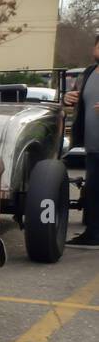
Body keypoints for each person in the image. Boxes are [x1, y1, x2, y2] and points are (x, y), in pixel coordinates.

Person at [63, 35, 99, 247]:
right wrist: (67, 99)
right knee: (94, 190)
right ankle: (93, 233)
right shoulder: (88, 73)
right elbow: (72, 104)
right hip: (93, 146)